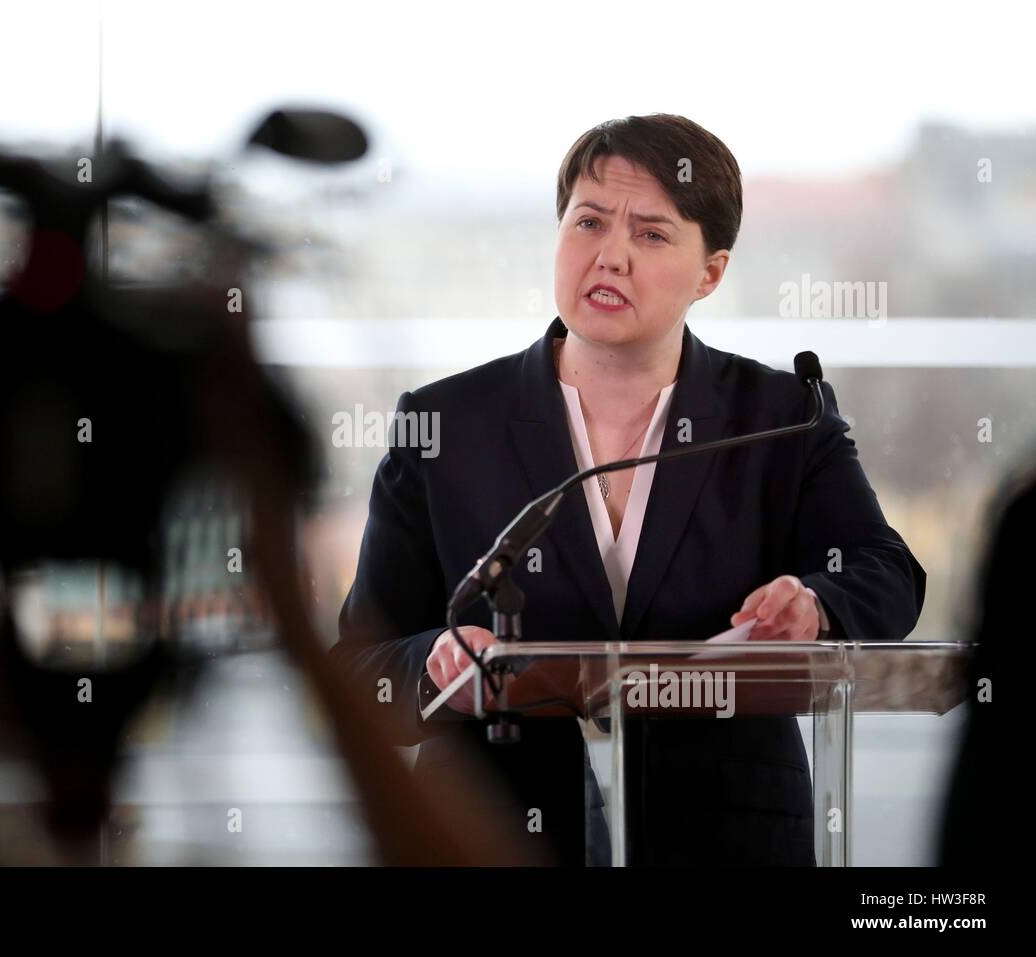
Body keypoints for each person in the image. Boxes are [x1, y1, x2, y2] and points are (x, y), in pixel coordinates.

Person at [331, 114, 926, 866]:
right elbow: (359, 663)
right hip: (496, 831)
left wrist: (816, 601)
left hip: (726, 840)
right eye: (588, 222)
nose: (609, 255)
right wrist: (436, 659)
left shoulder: (780, 416)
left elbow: (888, 574)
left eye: (650, 233)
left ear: (710, 271)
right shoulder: (445, 423)